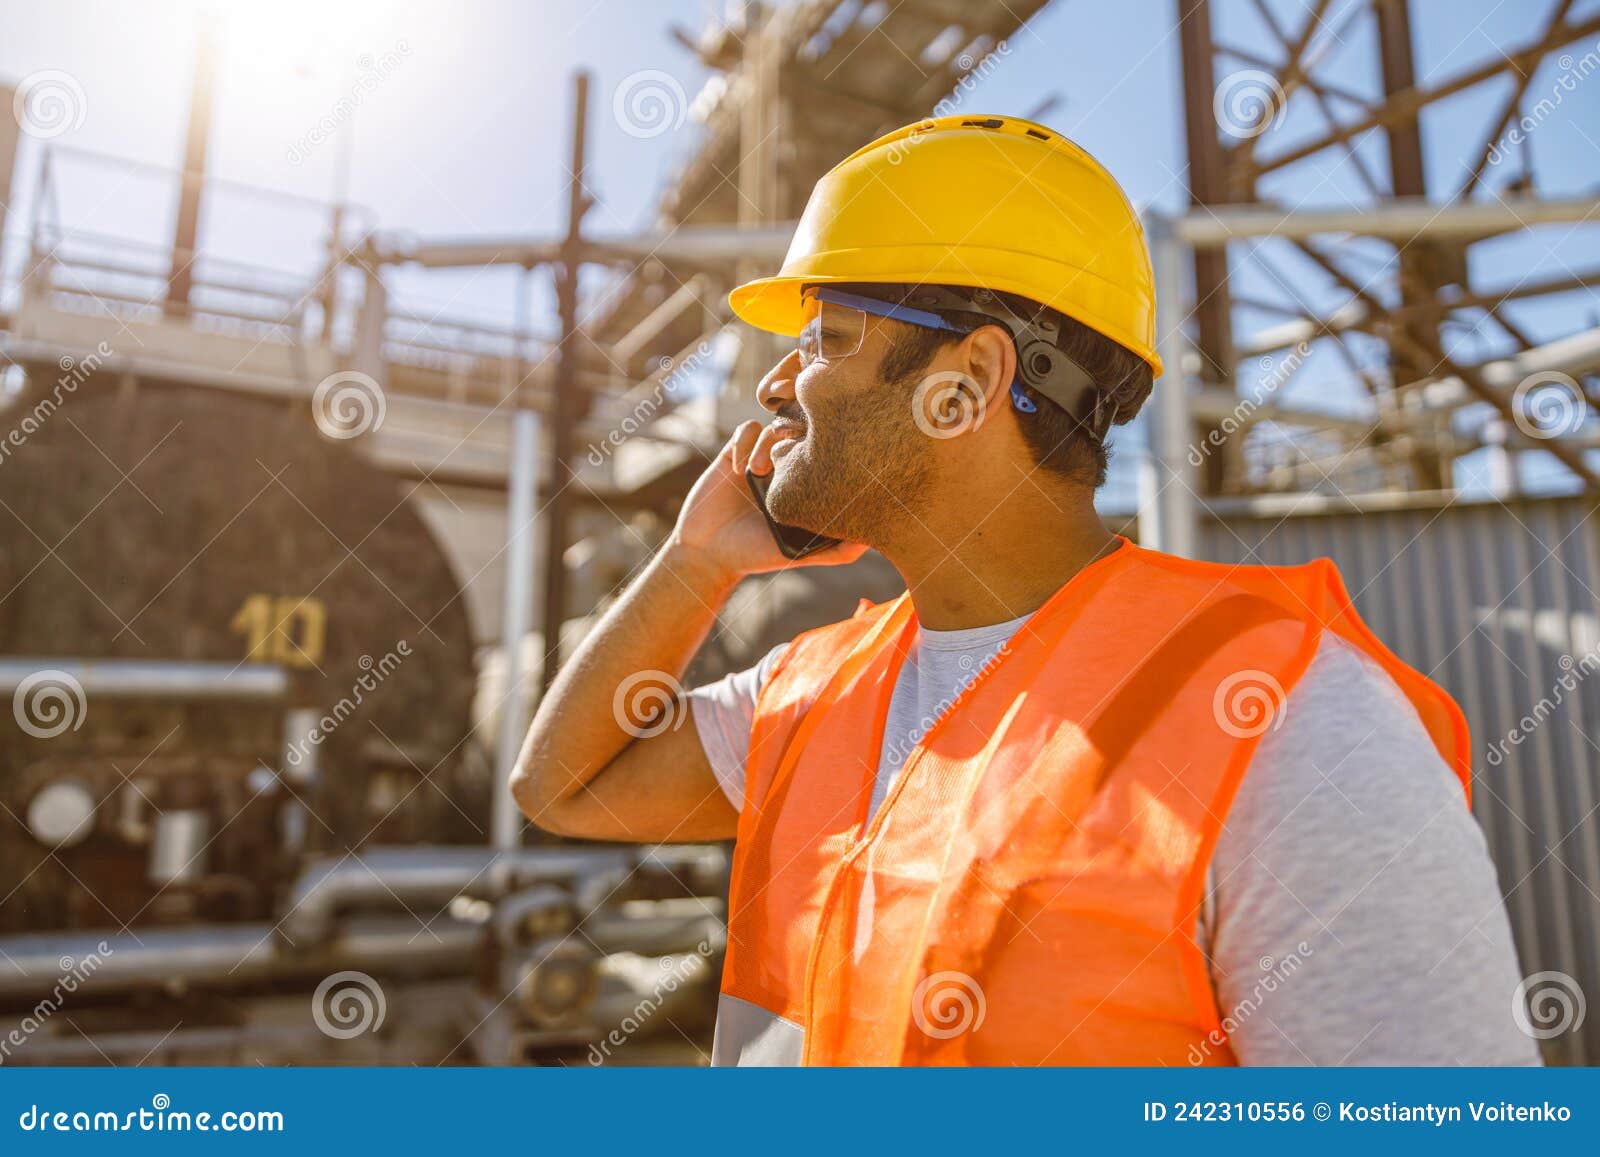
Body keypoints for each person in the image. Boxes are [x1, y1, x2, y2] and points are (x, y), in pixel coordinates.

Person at [511, 114, 1538, 1067]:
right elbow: (561, 783)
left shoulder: (1285, 717)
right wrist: (698, 563)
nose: (782, 384)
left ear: (966, 378)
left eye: (824, 337)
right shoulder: (819, 682)